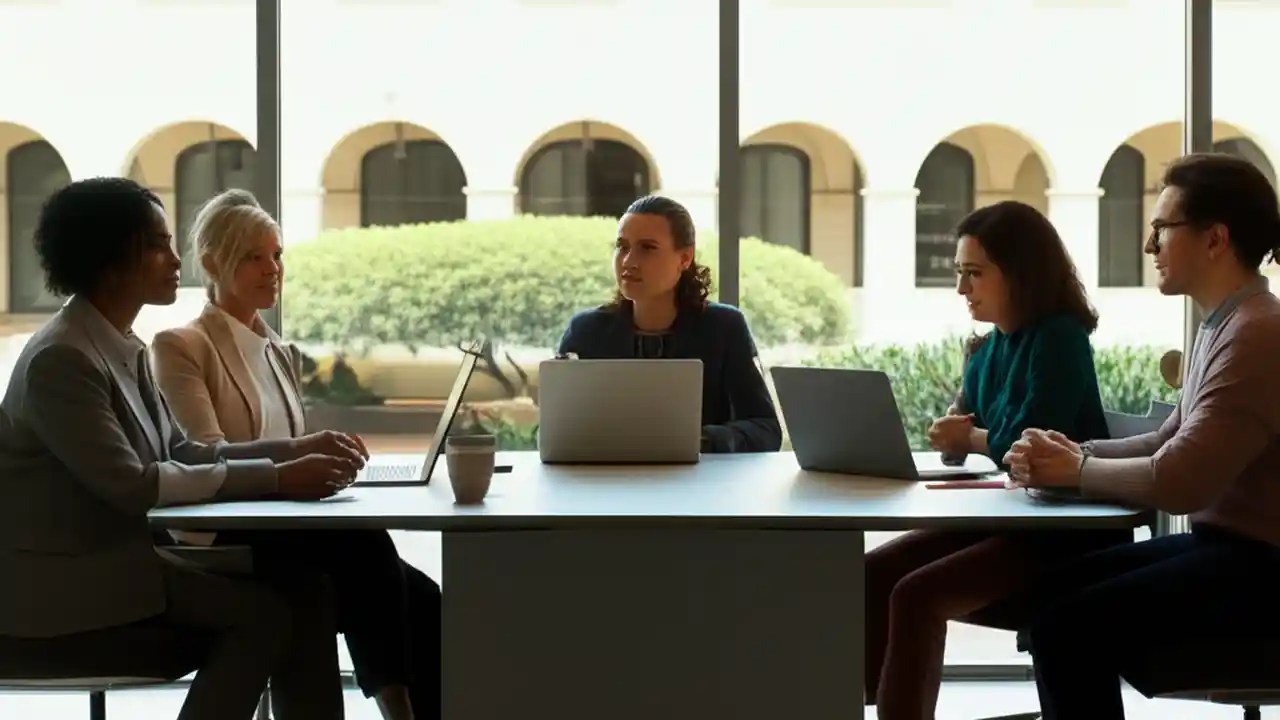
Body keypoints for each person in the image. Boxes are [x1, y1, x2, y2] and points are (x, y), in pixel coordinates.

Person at [0, 178, 362, 719]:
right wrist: (279, 478)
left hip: (120, 561)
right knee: (266, 615)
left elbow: (185, 451)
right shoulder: (63, 360)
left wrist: (291, 451)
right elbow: (135, 486)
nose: (176, 259)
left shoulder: (118, 344)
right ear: (110, 257)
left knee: (308, 592)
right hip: (63, 586)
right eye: (157, 245)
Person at [1006, 153, 1280, 719]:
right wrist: (1071, 453)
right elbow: (1167, 439)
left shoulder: (1257, 333)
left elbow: (1179, 481)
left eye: (1161, 229)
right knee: (1048, 597)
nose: (1149, 246)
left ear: (1214, 240)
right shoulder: (1227, 321)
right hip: (1233, 551)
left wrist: (1075, 471)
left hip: (1263, 566)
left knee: (1064, 626)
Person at [151, 189, 441, 720]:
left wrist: (324, 456)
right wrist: (293, 466)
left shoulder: (278, 350)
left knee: (421, 596)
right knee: (369, 549)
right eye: (253, 257)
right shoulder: (180, 346)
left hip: (281, 519)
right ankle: (398, 713)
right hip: (222, 524)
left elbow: (291, 445)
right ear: (213, 263)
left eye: (277, 254)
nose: (272, 268)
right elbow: (204, 454)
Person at [863, 201, 1128, 719]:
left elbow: (1023, 445)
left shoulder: (1059, 339)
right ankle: (877, 705)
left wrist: (970, 439)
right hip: (1016, 520)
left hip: (1067, 532)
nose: (963, 289)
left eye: (974, 273)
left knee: (916, 595)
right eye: (960, 274)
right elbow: (971, 427)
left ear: (1020, 272)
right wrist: (954, 434)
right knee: (875, 573)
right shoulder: (989, 348)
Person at [556, 194, 781, 453]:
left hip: (700, 485)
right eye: (622, 246)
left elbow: (766, 430)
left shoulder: (723, 327)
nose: (628, 261)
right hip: (607, 485)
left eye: (647, 248)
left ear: (684, 259)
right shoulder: (586, 332)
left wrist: (700, 440)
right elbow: (555, 430)